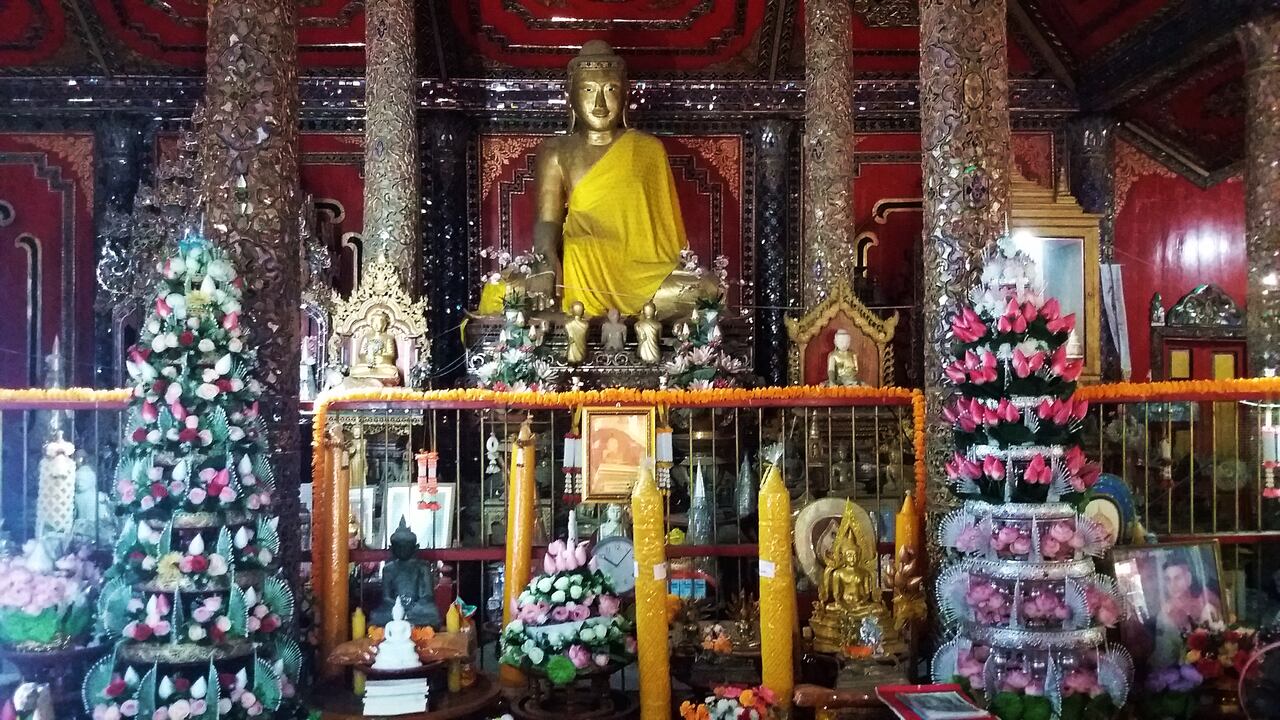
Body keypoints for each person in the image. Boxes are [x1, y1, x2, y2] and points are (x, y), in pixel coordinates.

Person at [477, 41, 716, 318]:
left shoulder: (648, 149)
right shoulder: (555, 150)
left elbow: (665, 232)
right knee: (505, 292)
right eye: (588, 90)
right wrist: (545, 263)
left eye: (610, 89)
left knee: (708, 290)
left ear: (625, 94)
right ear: (570, 96)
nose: (600, 103)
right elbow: (548, 219)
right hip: (580, 262)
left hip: (642, 269)